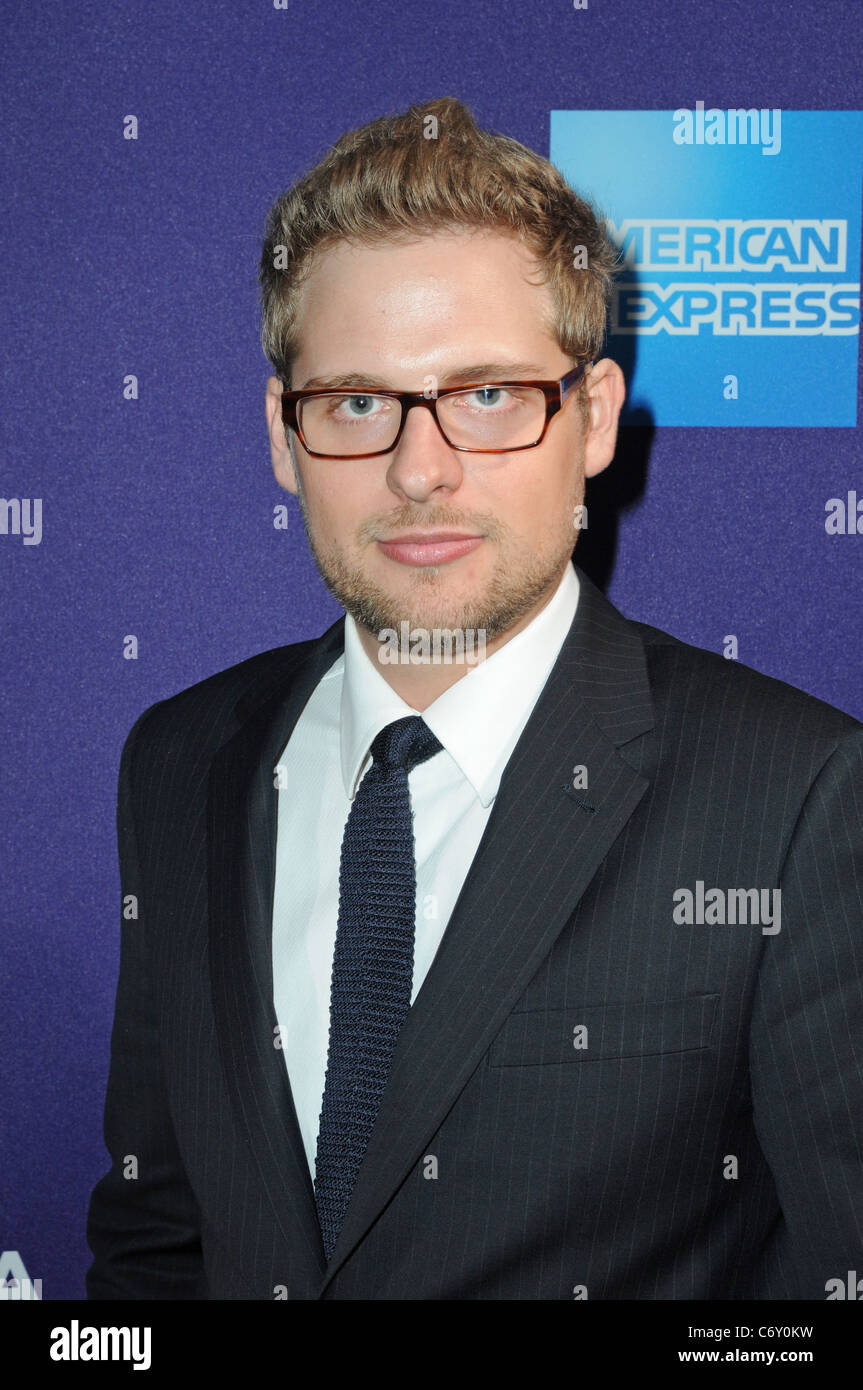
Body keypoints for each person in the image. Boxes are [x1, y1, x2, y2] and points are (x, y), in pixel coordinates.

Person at [86, 95, 863, 1300]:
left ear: (591, 419)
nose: (418, 467)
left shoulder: (798, 794)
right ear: (283, 441)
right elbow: (156, 1238)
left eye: (488, 395)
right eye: (355, 402)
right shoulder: (180, 760)